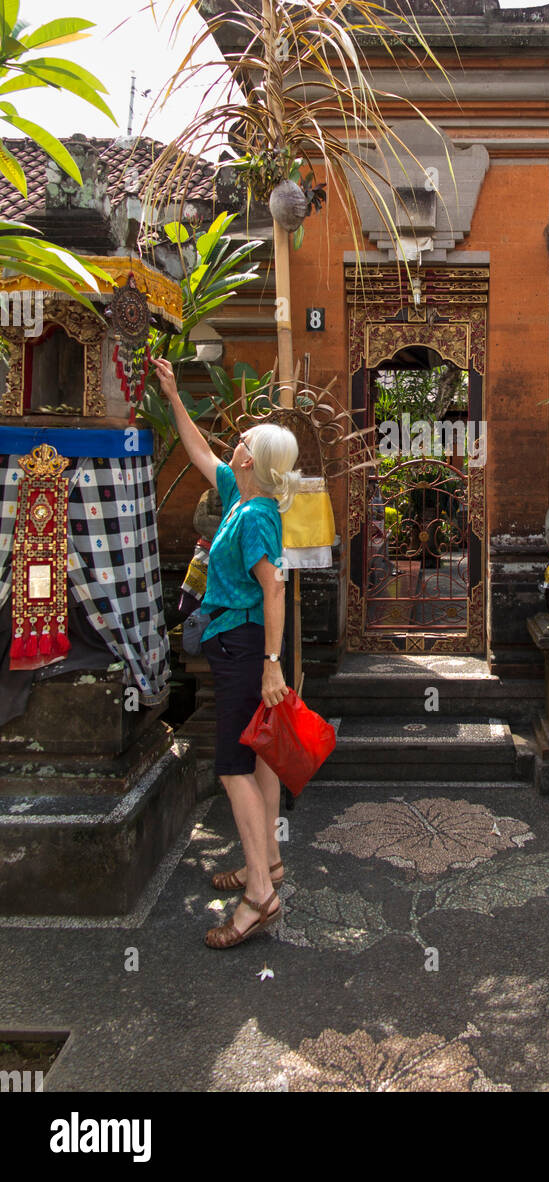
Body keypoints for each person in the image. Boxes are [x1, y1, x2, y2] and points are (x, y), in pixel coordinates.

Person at [153, 357, 301, 948]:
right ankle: (268, 862)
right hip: (240, 645)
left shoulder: (258, 515)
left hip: (244, 648)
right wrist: (172, 395)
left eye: (240, 441)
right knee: (261, 758)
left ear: (253, 462)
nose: (232, 442)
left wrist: (271, 664)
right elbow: (197, 451)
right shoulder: (237, 496)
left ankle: (260, 895)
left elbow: (275, 589)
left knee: (233, 766)